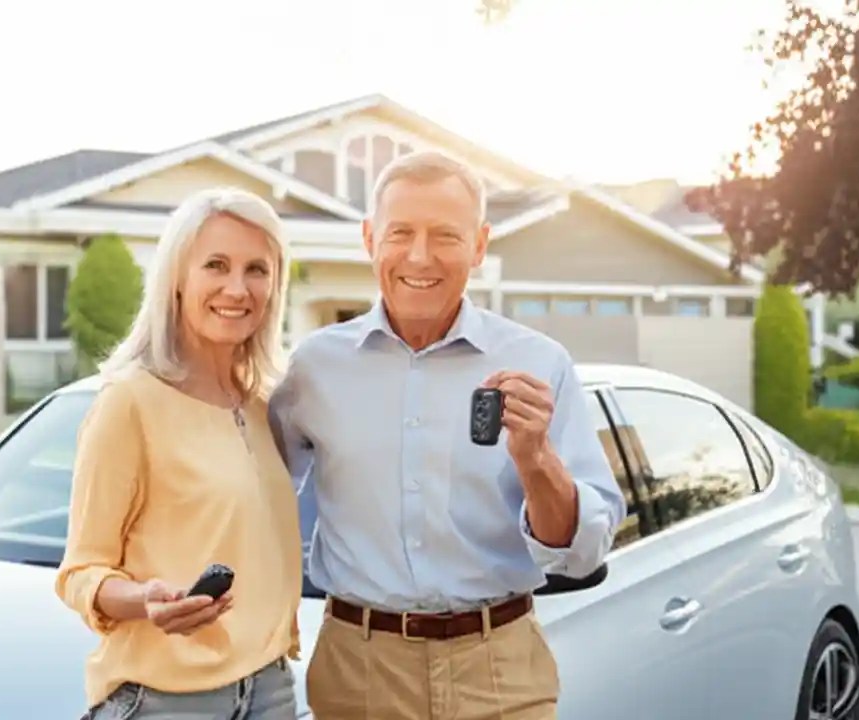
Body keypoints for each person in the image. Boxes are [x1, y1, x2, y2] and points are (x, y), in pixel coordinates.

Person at [268, 151, 628, 720]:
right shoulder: (314, 369)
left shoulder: (540, 364)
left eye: (445, 235)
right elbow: (253, 500)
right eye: (401, 233)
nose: (419, 255)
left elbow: (582, 555)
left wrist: (536, 461)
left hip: (500, 668)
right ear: (369, 239)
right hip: (358, 671)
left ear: (480, 245)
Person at [56, 187, 304, 719]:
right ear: (176, 278)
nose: (237, 289)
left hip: (271, 693)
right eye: (215, 265)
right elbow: (80, 572)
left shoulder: (265, 405)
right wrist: (145, 599)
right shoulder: (130, 401)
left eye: (257, 270)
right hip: (165, 703)